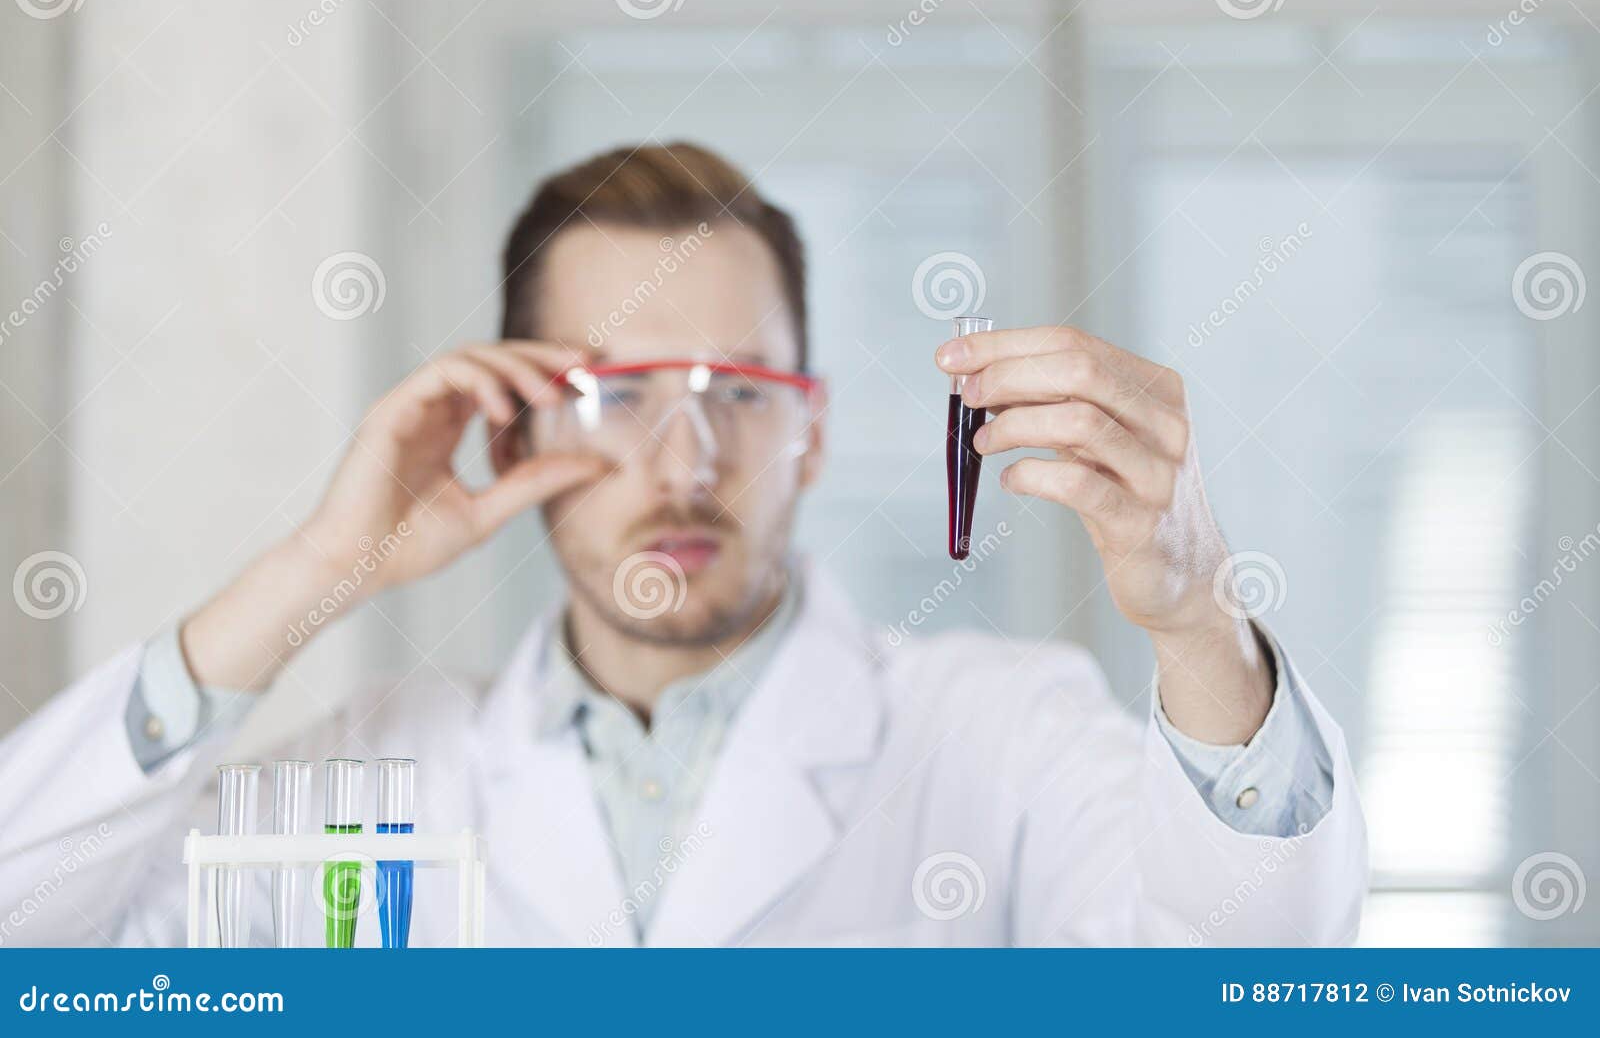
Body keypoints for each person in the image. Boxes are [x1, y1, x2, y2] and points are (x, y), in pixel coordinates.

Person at [0, 143, 1365, 947]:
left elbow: (1257, 973)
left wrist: (1198, 622)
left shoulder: (992, 730)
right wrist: (308, 572)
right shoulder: (379, 774)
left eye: (741, 394)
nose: (687, 457)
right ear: (512, 431)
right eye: (624, 391)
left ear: (814, 434)